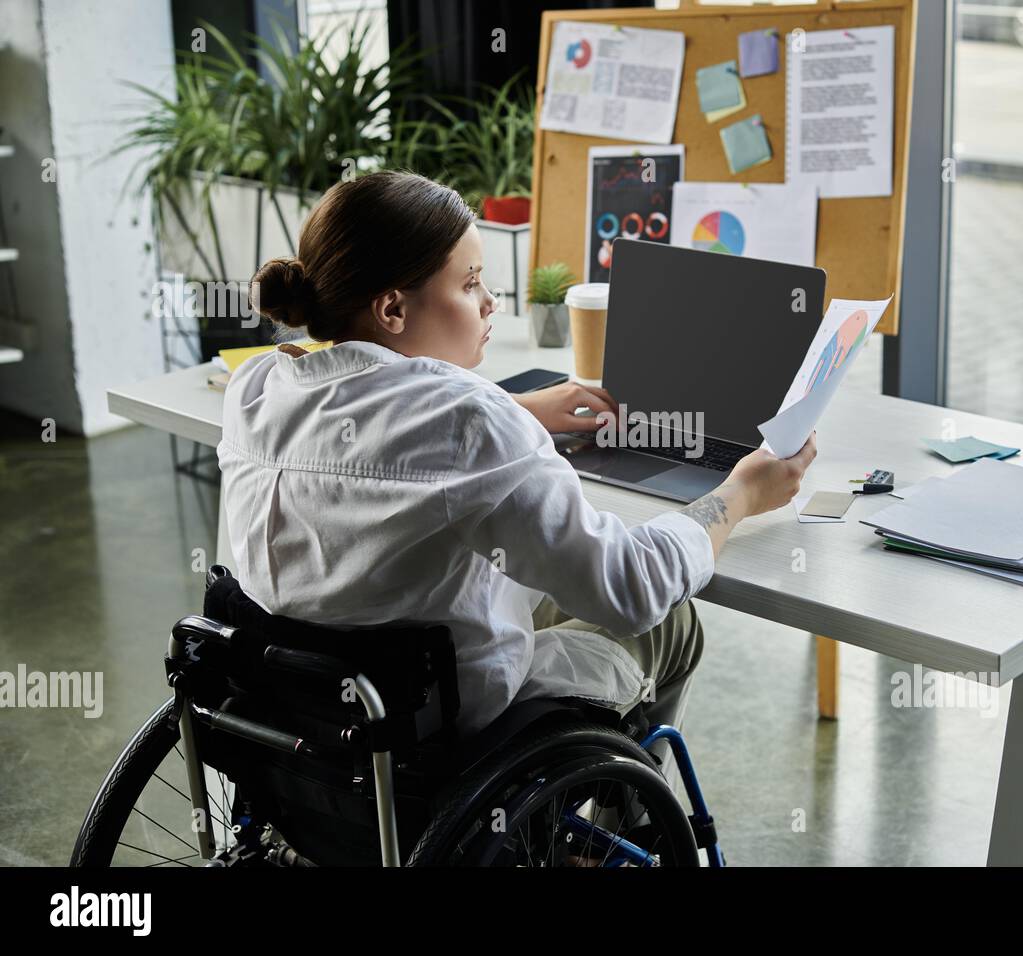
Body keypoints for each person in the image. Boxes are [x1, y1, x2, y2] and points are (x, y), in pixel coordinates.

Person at [218, 170, 816, 785]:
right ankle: (606, 827)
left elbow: (376, 431)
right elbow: (631, 587)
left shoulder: (256, 389)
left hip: (306, 725)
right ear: (392, 307)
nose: (489, 302)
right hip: (444, 734)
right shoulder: (472, 421)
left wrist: (522, 410)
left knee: (538, 583)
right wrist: (743, 491)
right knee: (670, 619)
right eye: (470, 282)